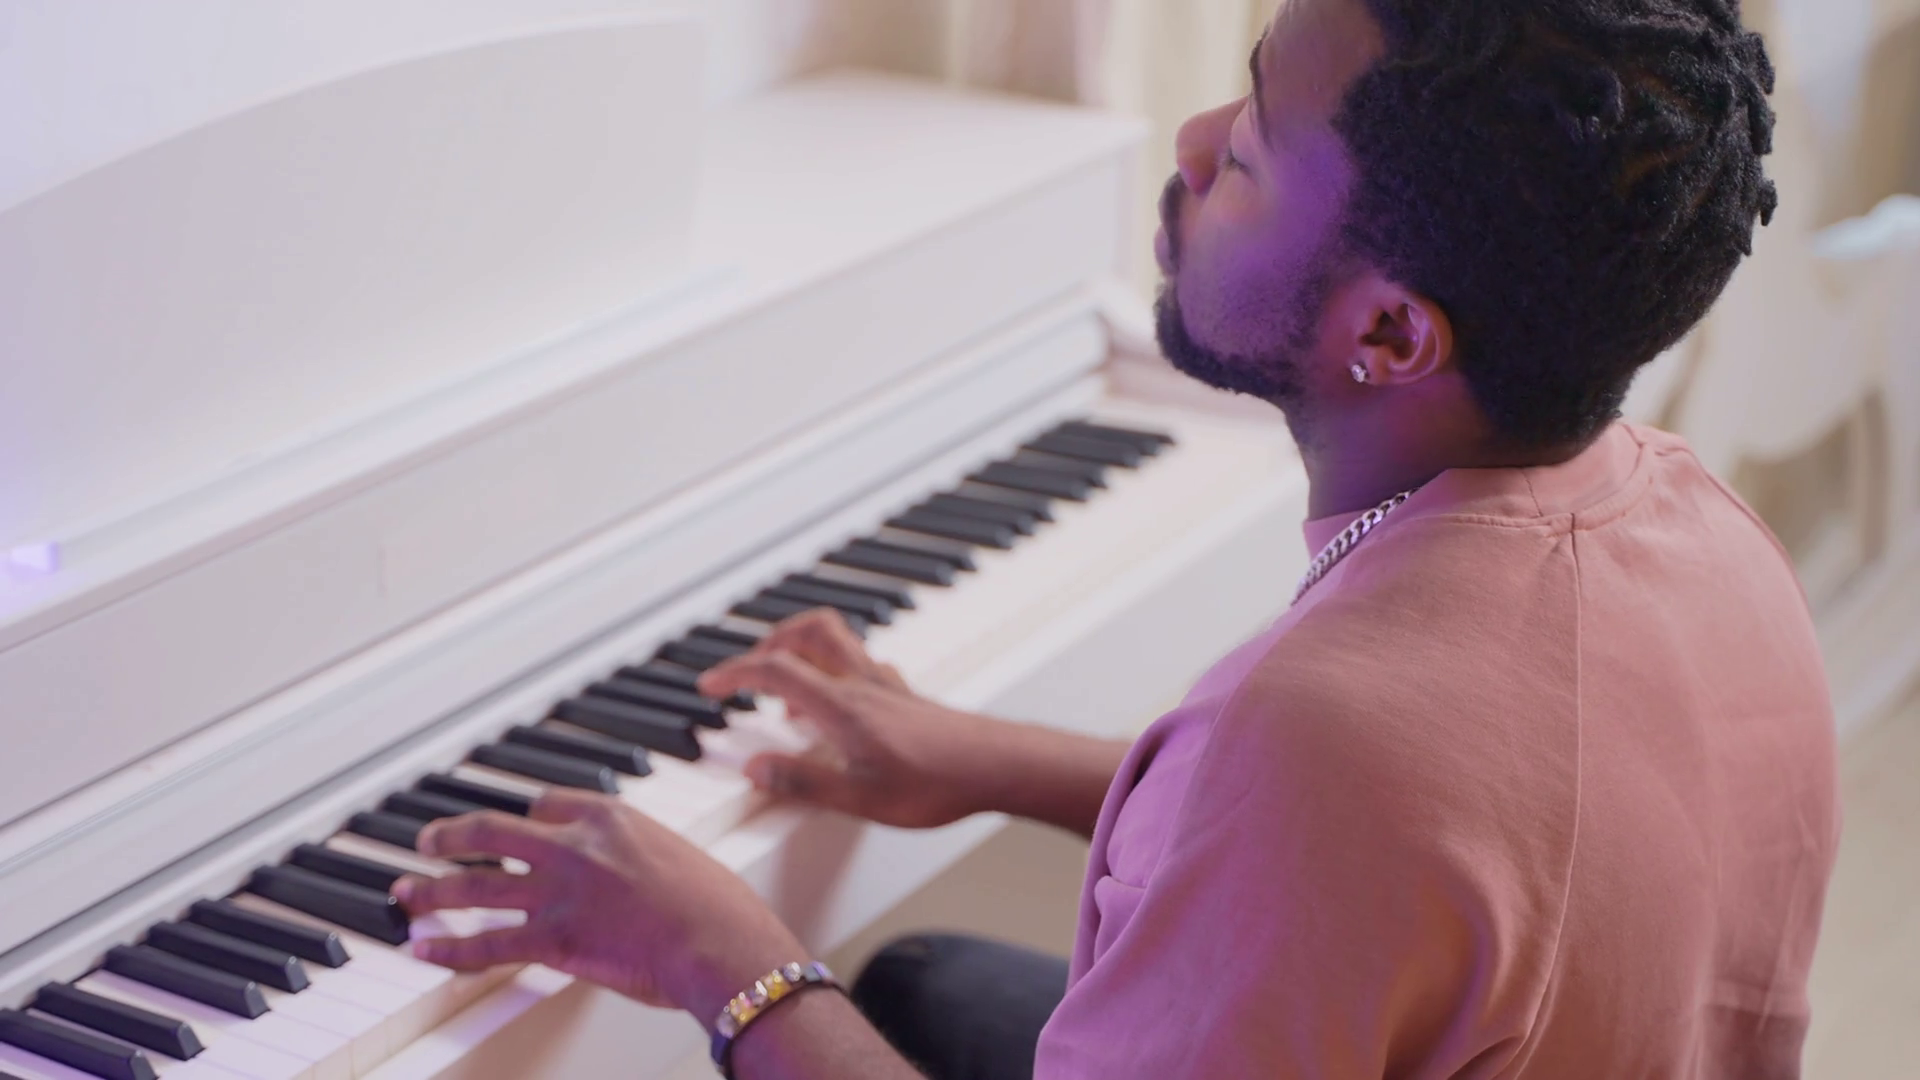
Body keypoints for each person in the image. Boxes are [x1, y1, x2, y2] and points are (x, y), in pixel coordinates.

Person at [392, 0, 1842, 1075]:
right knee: (925, 984)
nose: (1199, 143)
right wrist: (982, 757)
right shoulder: (1698, 520)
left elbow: (1343, 800)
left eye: (1256, 152)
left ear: (1392, 331)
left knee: (848, 1002)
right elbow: (1425, 866)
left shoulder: (1328, 737)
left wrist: (725, 957)